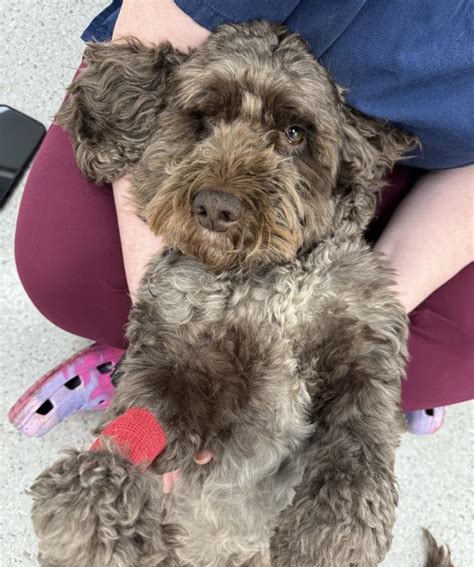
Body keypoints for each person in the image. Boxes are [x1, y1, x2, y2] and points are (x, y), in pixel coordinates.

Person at [12, 0, 474, 452]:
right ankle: (140, 366)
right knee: (64, 268)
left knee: (442, 362)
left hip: (403, 168)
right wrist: (173, 342)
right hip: (201, 84)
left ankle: (284, 386)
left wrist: (355, 322)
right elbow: (155, 38)